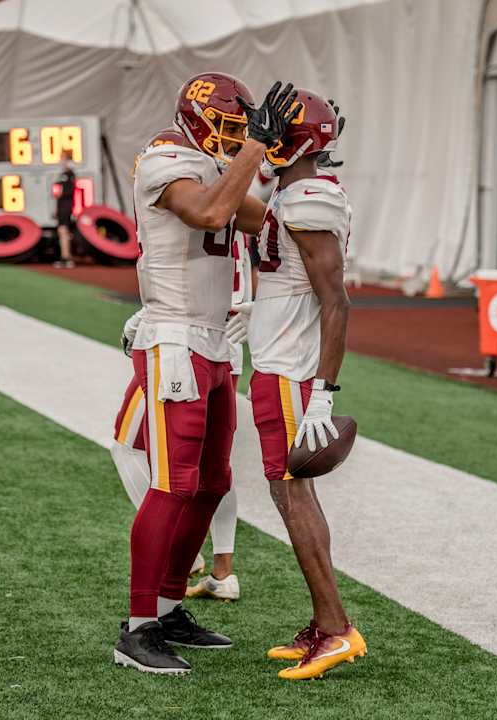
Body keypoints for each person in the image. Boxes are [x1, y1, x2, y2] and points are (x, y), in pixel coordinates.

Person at [112, 74, 298, 676]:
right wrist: (251, 153)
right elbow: (212, 210)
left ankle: (168, 608)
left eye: (243, 129)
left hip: (216, 341)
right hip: (174, 337)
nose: (237, 136)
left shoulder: (212, 159)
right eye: (231, 124)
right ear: (194, 117)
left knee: (213, 482)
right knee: (173, 483)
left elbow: (257, 220)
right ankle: (138, 628)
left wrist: (297, 169)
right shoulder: (164, 157)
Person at [224, 90, 366, 681]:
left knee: (294, 496)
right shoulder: (293, 194)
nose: (261, 137)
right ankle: (327, 622)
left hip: (291, 372)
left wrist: (324, 392)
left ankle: (335, 630)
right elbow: (286, 276)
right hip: (278, 361)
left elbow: (335, 302)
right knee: (289, 496)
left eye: (271, 130)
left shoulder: (308, 196)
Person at [53, 151, 77, 268]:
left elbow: (67, 192)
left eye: (62, 158)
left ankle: (66, 258)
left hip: (65, 207)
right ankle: (65, 256)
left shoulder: (69, 174)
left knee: (63, 231)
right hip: (62, 207)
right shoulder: (65, 174)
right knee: (62, 231)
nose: (60, 160)